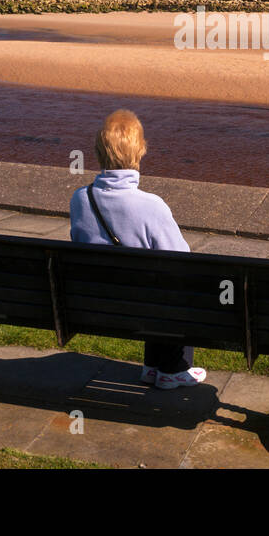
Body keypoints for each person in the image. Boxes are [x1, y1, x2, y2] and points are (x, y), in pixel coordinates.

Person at [69, 109, 207, 390]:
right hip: (143, 304)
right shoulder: (151, 205)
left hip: (95, 303)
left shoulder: (80, 199)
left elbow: (79, 242)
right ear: (141, 151)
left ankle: (153, 367)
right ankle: (173, 368)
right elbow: (181, 261)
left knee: (149, 285)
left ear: (98, 152)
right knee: (178, 285)